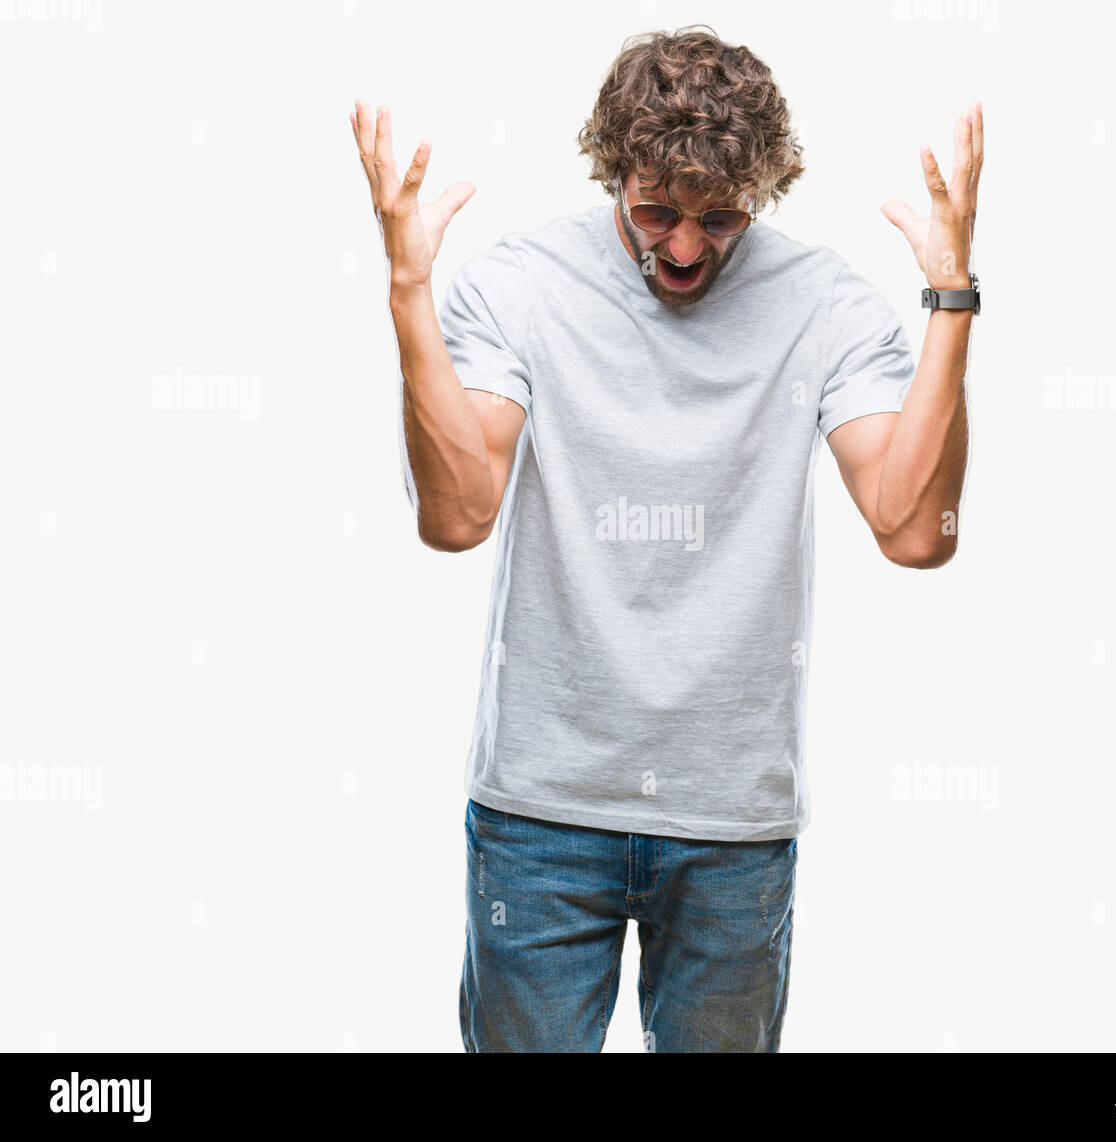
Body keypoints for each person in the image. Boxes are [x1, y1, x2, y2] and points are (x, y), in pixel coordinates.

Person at [349, 26, 982, 1052]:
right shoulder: (520, 285)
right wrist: (408, 296)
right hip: (540, 820)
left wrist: (951, 301)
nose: (682, 247)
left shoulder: (822, 305)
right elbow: (458, 514)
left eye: (719, 218)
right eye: (654, 210)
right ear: (613, 171)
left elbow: (914, 530)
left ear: (765, 194)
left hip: (731, 825)